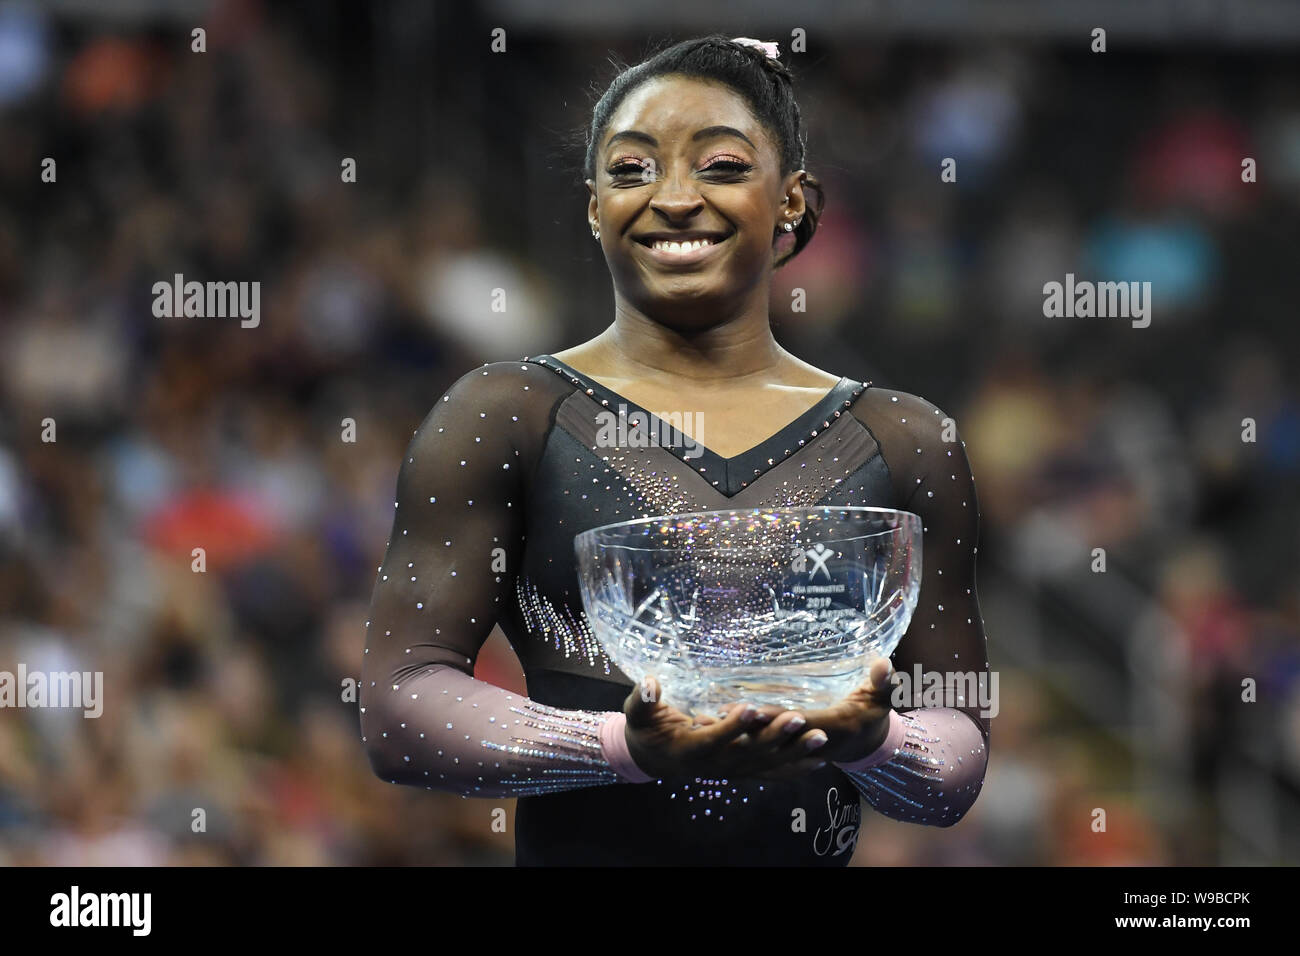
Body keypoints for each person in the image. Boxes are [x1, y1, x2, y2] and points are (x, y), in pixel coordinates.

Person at [360, 34, 989, 865]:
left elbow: (958, 751)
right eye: (631, 169)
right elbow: (399, 710)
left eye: (723, 166)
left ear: (793, 200)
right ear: (594, 208)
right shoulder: (507, 414)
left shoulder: (904, 440)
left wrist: (876, 743)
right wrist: (623, 749)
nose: (674, 197)